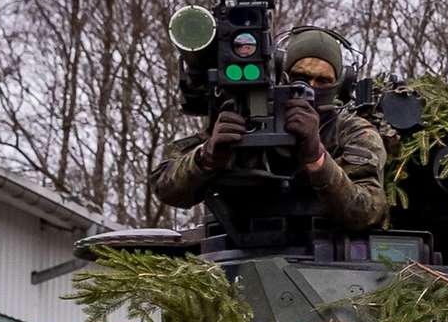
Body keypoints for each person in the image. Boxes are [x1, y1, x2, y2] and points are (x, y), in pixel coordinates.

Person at [147, 23, 388, 234]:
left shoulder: (352, 131)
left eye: (322, 81)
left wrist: (317, 160)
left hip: (324, 256)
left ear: (340, 84)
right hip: (239, 251)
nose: (310, 87)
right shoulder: (250, 116)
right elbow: (165, 187)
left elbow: (367, 211)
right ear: (283, 74)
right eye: (300, 77)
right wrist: (208, 156)